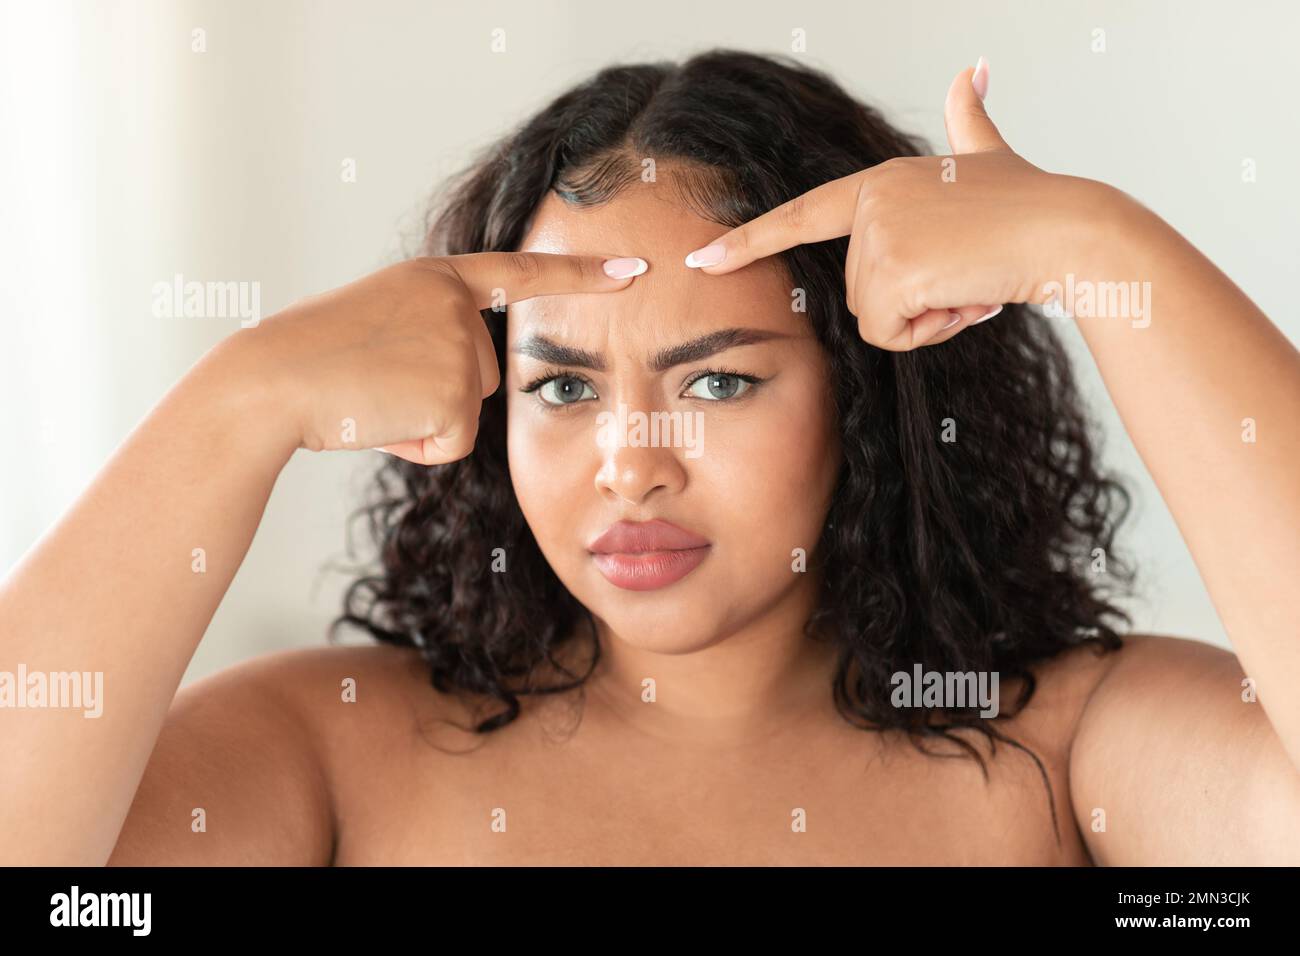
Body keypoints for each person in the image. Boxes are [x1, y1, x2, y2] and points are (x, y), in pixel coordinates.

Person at [2, 50, 1297, 866]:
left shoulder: (1065, 751)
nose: (631, 464)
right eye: (563, 384)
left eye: (718, 380)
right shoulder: (334, 751)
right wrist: (240, 400)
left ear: (869, 398)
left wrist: (1104, 248)